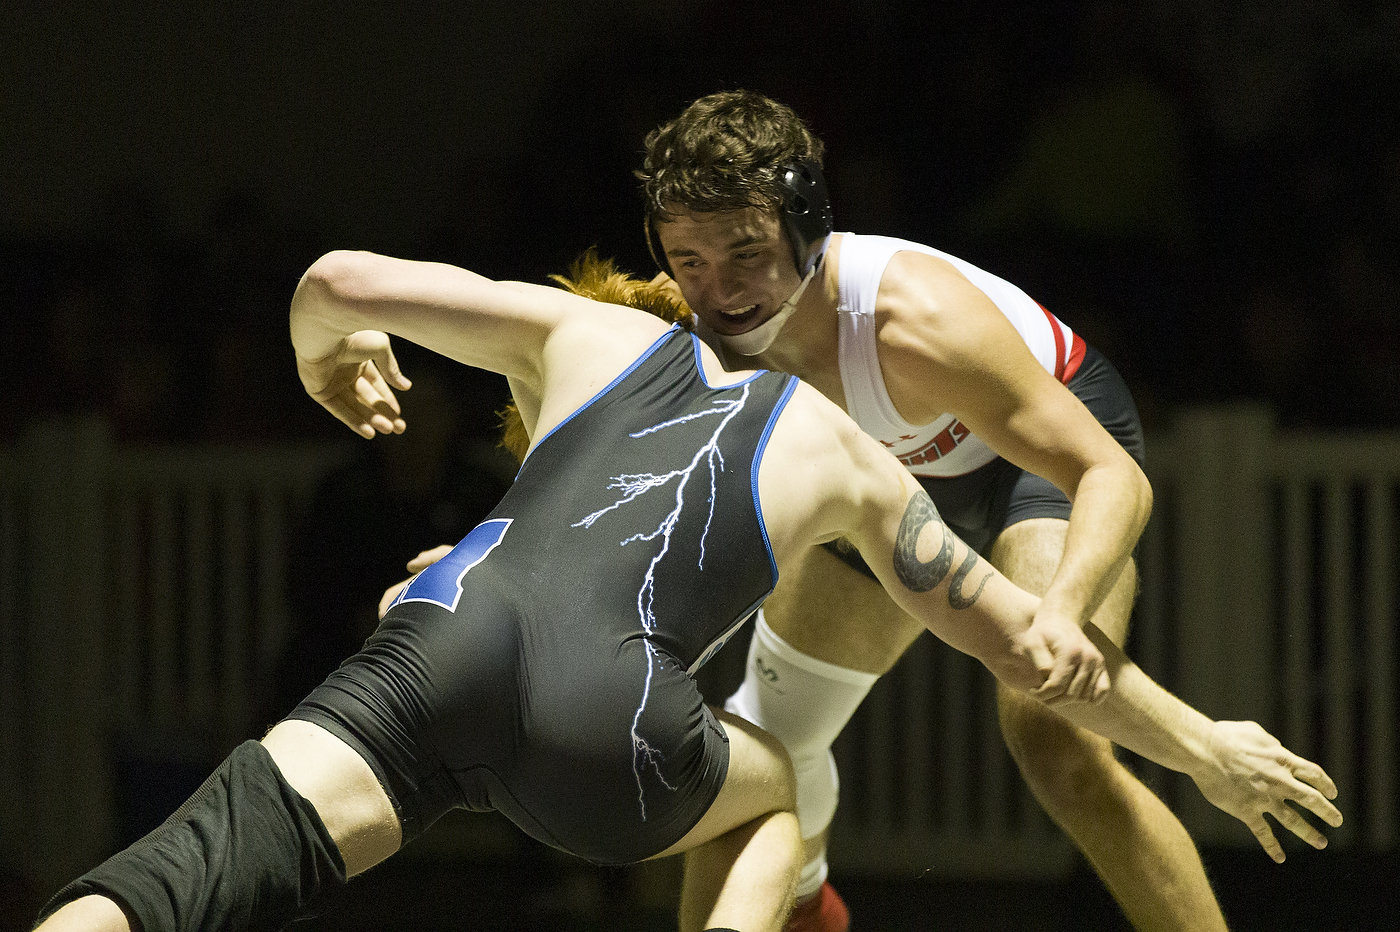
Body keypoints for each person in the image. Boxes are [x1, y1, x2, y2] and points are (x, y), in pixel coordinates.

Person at [32, 251, 1340, 932]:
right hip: (623, 710)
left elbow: (328, 282)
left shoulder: (704, 357)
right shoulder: (649, 363)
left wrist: (1197, 744)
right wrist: (1203, 743)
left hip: (1023, 442)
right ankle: (806, 890)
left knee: (1044, 740)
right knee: (781, 776)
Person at [636, 89, 1226, 932]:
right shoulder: (676, 325)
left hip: (1028, 463)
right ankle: (804, 903)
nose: (719, 292)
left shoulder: (910, 319)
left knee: (1057, 739)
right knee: (747, 755)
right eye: (688, 259)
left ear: (807, 232)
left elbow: (1111, 474)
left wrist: (1060, 609)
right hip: (882, 485)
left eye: (745, 253)